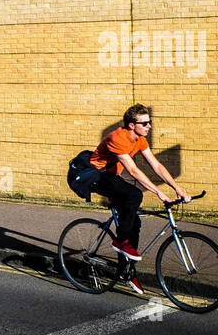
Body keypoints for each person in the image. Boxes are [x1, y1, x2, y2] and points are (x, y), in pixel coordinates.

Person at [78, 105, 191, 297]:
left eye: (150, 122)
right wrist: (158, 193)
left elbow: (156, 165)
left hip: (112, 178)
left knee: (134, 223)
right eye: (145, 123)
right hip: (96, 176)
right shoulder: (118, 138)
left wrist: (177, 189)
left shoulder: (139, 140)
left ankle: (126, 270)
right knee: (134, 195)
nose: (149, 126)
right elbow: (133, 172)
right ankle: (121, 242)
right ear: (132, 125)